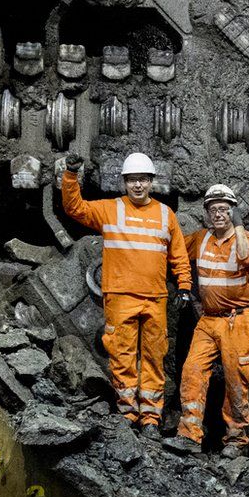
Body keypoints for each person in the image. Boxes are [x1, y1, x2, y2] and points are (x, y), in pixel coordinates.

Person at [61, 152, 192, 439]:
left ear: (151, 182)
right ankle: (127, 413)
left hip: (154, 297)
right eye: (132, 180)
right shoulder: (111, 209)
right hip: (120, 296)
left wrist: (184, 284)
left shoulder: (164, 215)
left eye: (143, 179)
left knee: (155, 357)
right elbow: (74, 208)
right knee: (122, 355)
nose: (137, 185)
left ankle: (150, 418)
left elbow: (178, 254)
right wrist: (71, 176)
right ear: (124, 182)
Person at [162, 185, 249, 458]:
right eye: (213, 209)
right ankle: (190, 435)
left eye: (224, 209)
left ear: (233, 212)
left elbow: (245, 256)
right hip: (208, 319)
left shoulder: (247, 238)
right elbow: (173, 247)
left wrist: (238, 226)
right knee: (192, 371)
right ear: (206, 213)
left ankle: (237, 440)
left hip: (236, 320)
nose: (218, 214)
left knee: (236, 380)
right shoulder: (201, 239)